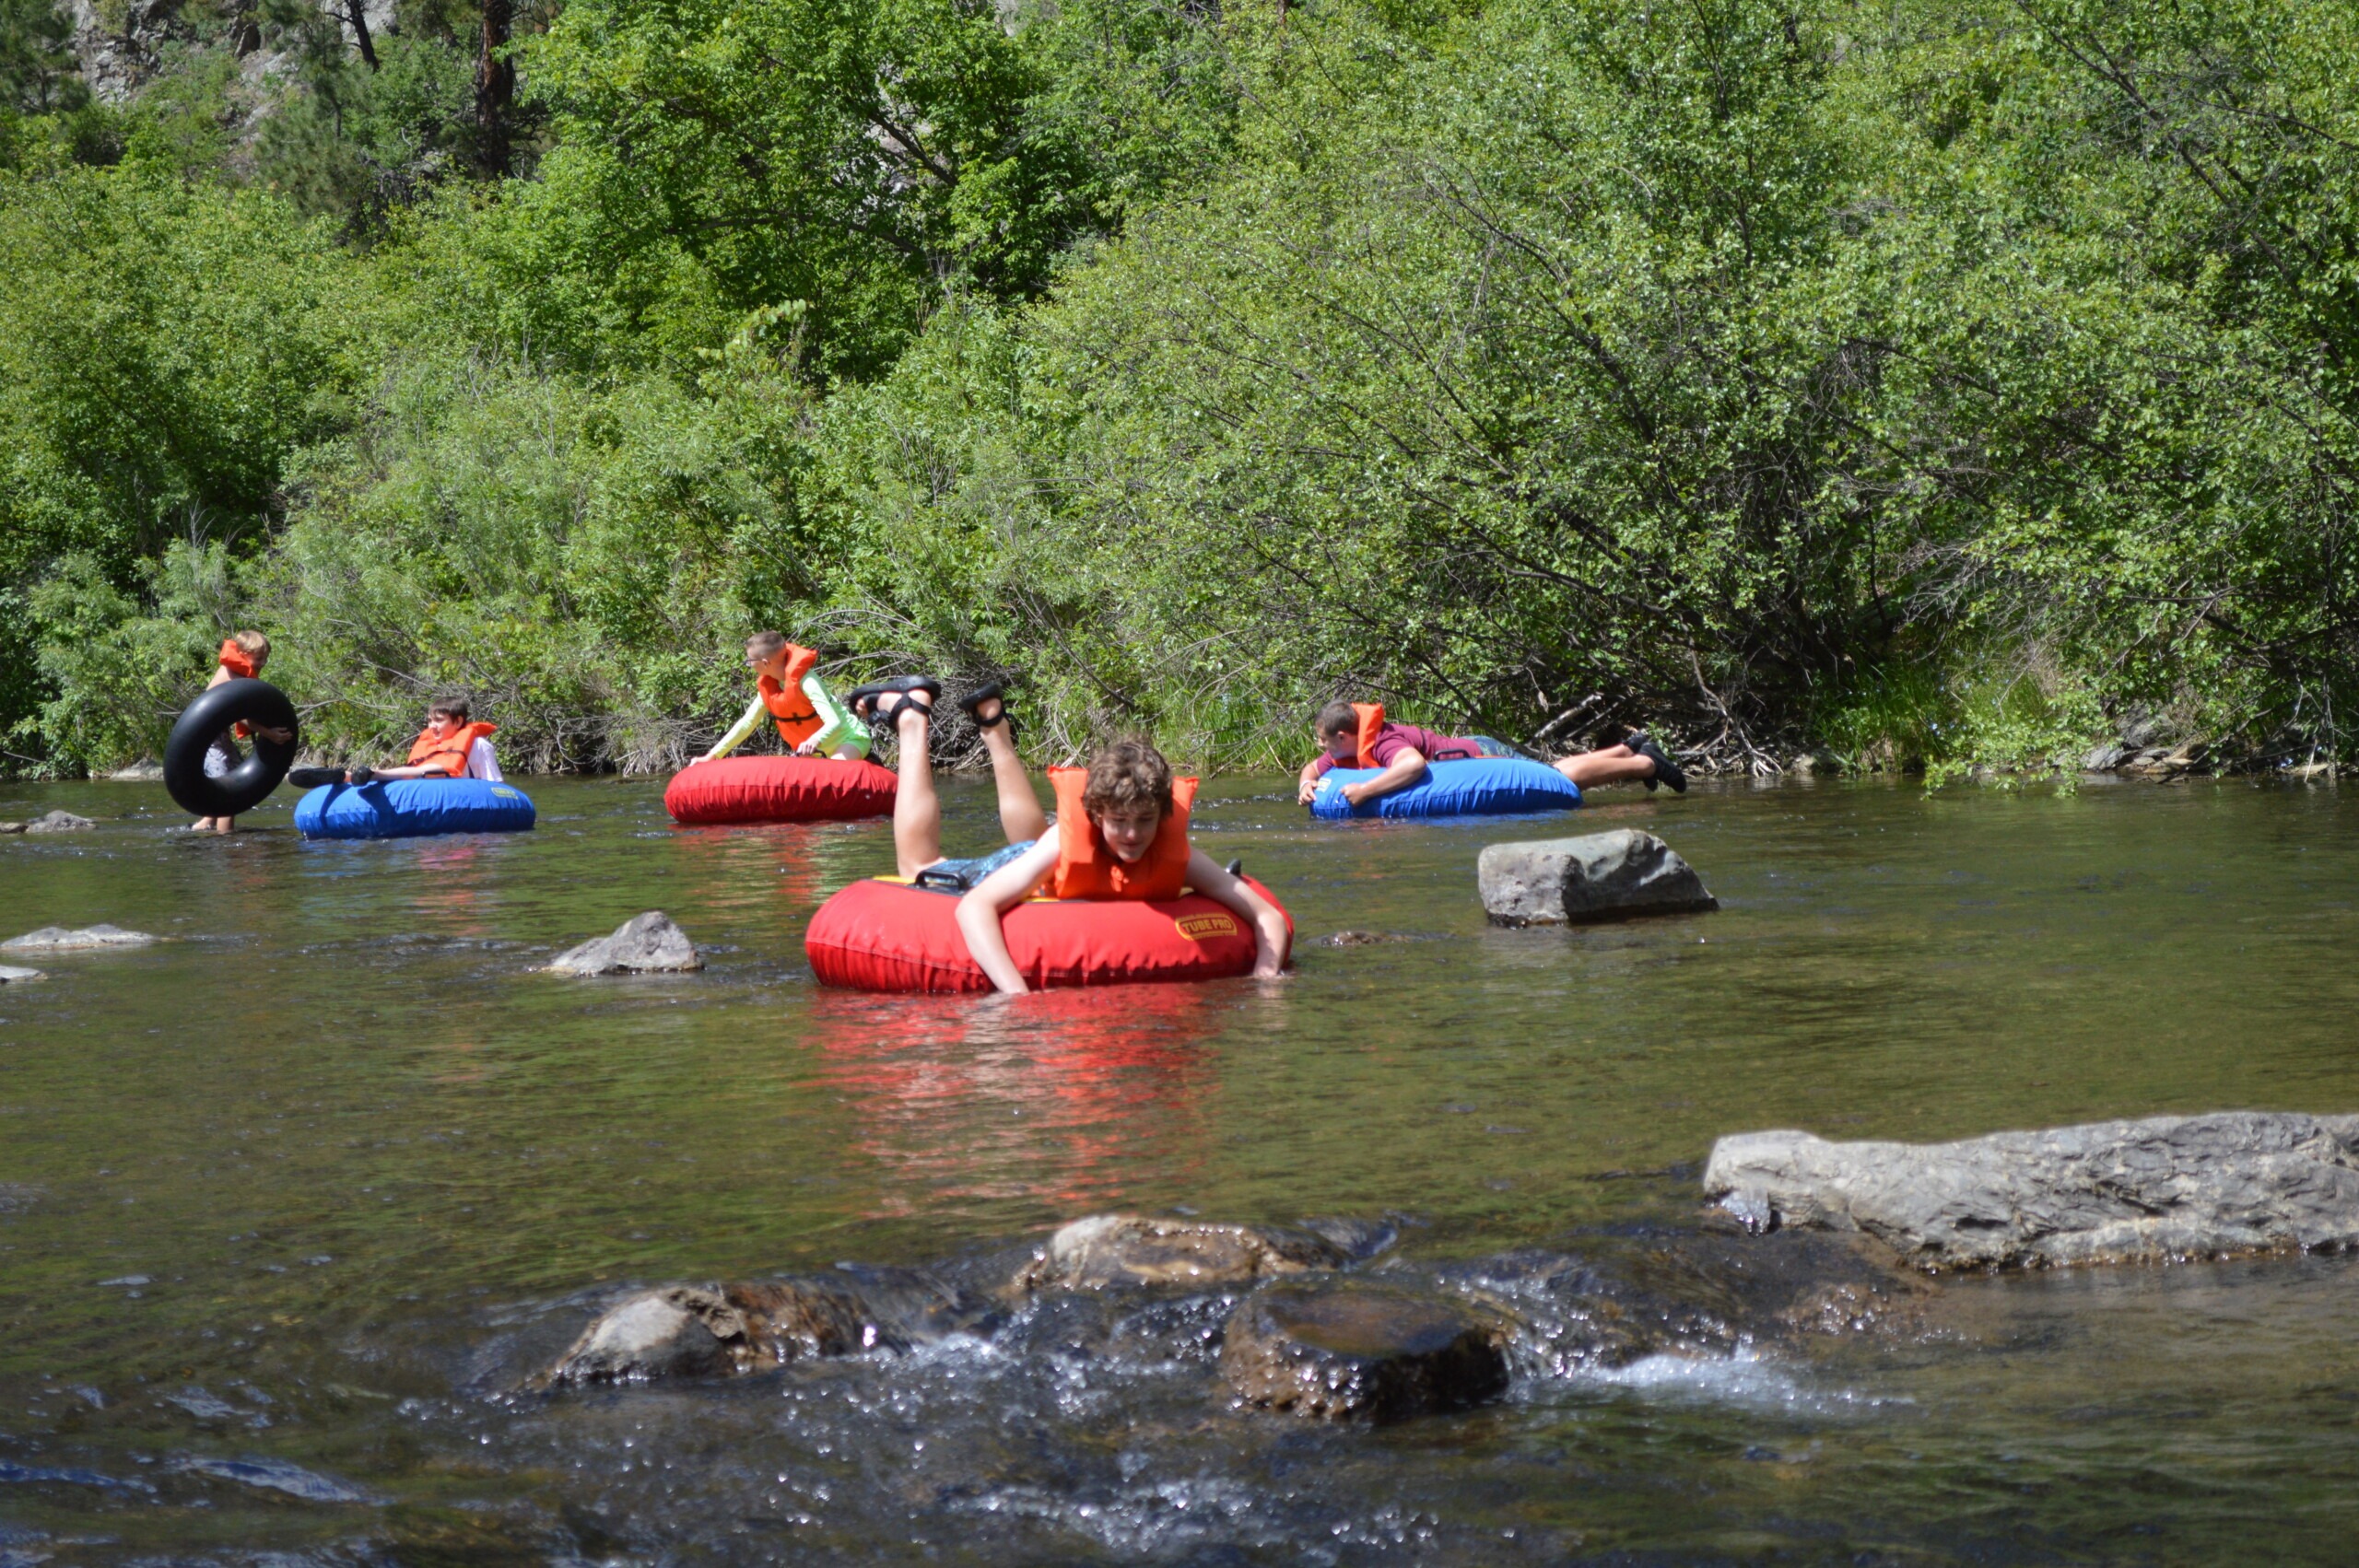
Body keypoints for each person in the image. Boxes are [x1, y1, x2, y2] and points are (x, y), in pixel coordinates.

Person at [851, 676, 1290, 996]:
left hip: (1044, 859)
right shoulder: (1065, 843)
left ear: (1161, 814)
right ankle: (912, 715)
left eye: (1145, 821)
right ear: (1096, 816)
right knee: (917, 865)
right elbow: (975, 907)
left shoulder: (1173, 851)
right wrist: (1015, 996)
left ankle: (994, 724)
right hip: (1021, 863)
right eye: (1119, 822)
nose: (1134, 834)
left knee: (1042, 844)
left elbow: (1266, 915)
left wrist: (1266, 979)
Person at [1294, 700, 1685, 808]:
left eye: (1325, 741)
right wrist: (1308, 784)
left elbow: (1412, 767)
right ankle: (1627, 749)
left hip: (1481, 756)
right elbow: (1311, 767)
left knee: (1555, 777)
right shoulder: (1345, 749)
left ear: (1344, 735)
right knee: (1553, 770)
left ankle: (1645, 763)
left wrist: (1366, 791)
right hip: (1470, 751)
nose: (1323, 748)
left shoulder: (1382, 742)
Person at [689, 632, 870, 766]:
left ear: (765, 663)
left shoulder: (807, 682)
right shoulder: (771, 687)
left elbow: (833, 721)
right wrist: (713, 755)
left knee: (833, 774)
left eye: (750, 660)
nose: (748, 664)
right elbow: (746, 724)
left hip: (849, 739)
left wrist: (814, 740)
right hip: (814, 752)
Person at [191, 629, 294, 834]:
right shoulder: (233, 675)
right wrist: (268, 733)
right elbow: (240, 716)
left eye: (266, 658)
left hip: (218, 735)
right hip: (208, 738)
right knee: (228, 791)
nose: (263, 663)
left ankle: (203, 826)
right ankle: (226, 839)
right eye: (259, 658)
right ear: (243, 653)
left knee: (234, 779)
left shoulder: (239, 672)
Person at [341, 693, 502, 784]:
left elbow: (496, 786)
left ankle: (374, 774)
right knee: (423, 771)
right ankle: (347, 776)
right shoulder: (431, 747)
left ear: (458, 721)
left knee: (433, 769)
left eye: (439, 721)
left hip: (462, 793)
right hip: (430, 789)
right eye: (430, 721)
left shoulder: (480, 745)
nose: (432, 726)